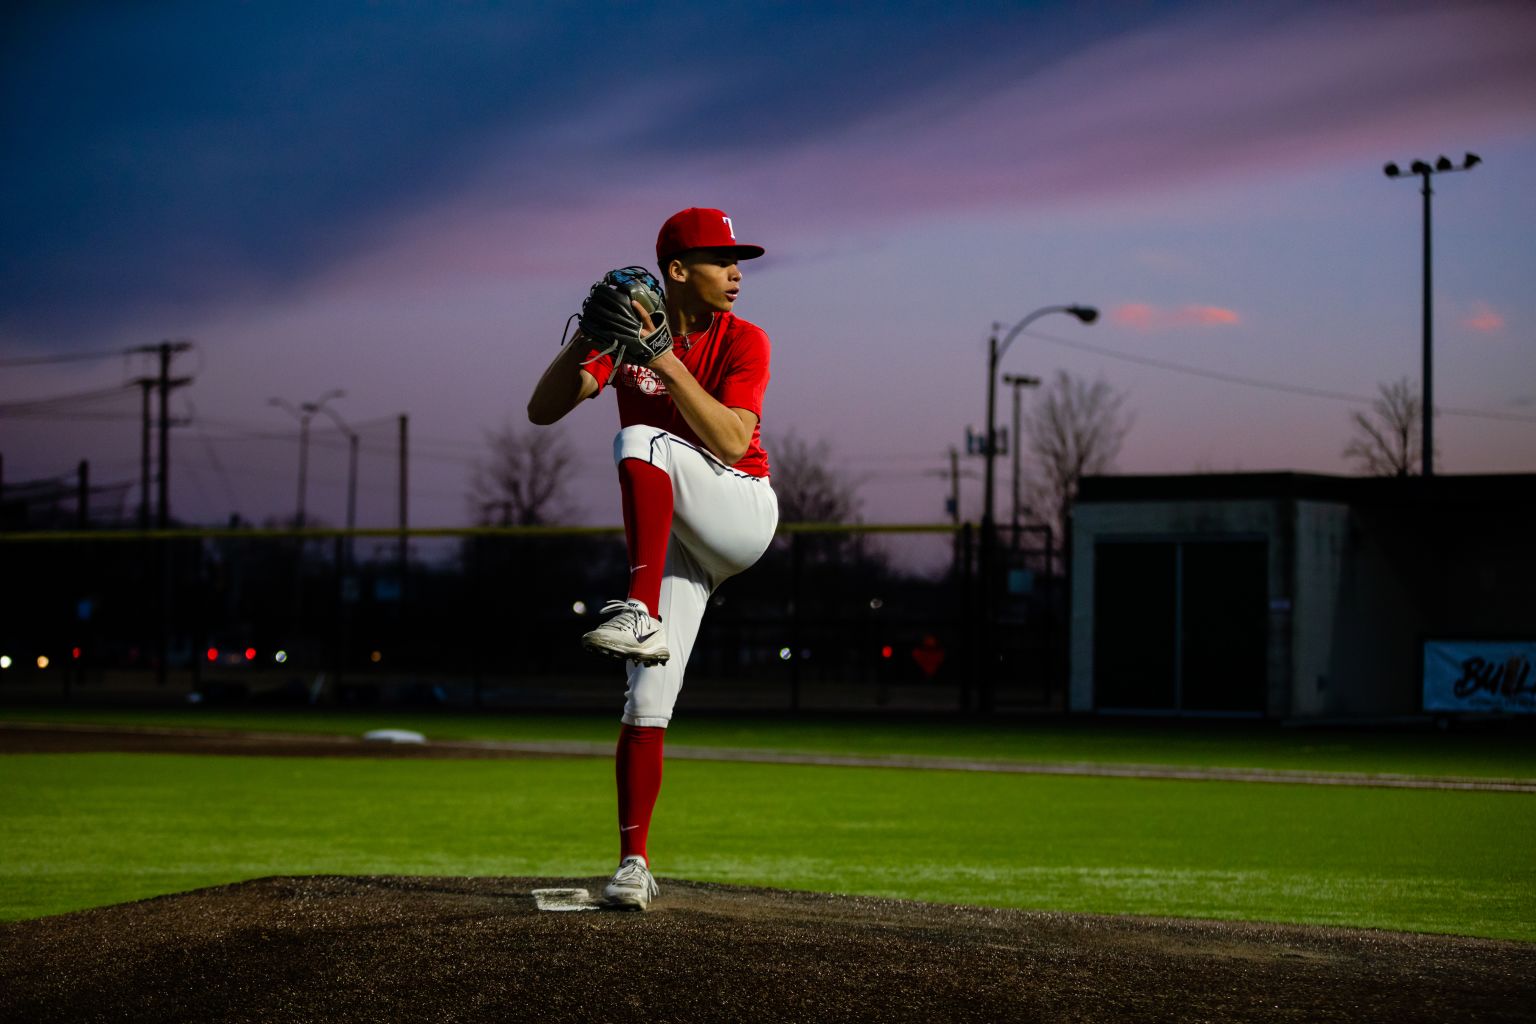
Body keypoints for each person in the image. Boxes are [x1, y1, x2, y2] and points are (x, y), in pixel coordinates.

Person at [526, 207, 778, 909]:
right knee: (645, 700)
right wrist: (589, 340)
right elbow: (542, 410)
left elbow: (731, 442)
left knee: (639, 441)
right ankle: (633, 865)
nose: (735, 273)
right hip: (679, 542)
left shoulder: (745, 338)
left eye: (737, 261)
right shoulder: (627, 338)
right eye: (721, 259)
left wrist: (661, 356)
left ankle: (638, 610)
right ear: (677, 270)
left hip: (739, 510)